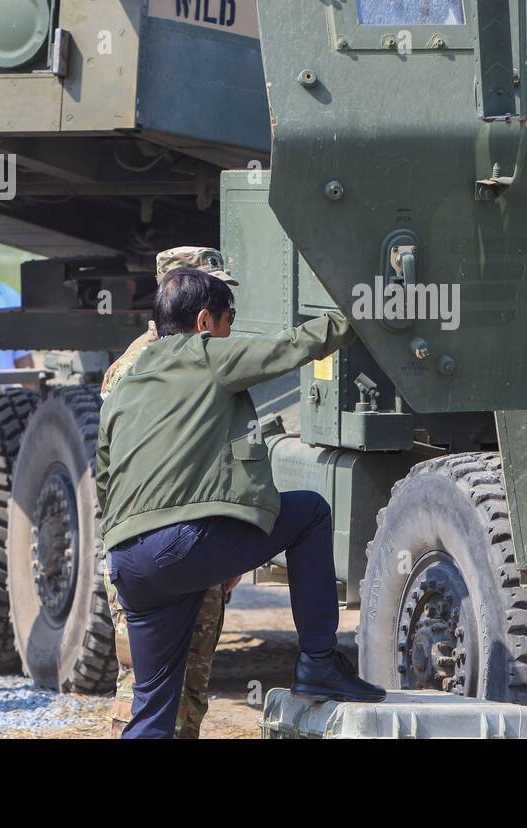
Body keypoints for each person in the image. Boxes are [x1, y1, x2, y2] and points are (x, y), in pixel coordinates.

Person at [97, 268, 385, 738]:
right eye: (231, 319)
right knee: (311, 512)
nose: (231, 330)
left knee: (151, 710)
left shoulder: (125, 385)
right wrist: (358, 313)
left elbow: (104, 478)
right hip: (182, 545)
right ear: (206, 320)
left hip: (130, 565)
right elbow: (291, 347)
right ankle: (317, 662)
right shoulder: (206, 354)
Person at [101, 246, 240, 739]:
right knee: (145, 687)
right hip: (151, 549)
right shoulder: (137, 369)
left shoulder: (207, 365)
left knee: (191, 685)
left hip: (196, 546)